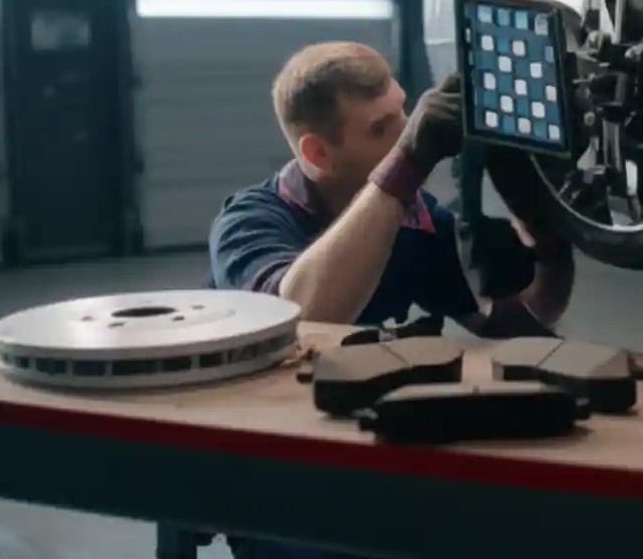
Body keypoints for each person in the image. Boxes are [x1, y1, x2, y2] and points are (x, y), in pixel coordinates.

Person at [204, 41, 575, 558]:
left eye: (405, 112)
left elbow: (515, 322)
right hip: (273, 472)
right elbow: (303, 319)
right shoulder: (250, 222)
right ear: (318, 154)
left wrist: (549, 245)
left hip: (367, 451)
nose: (408, 133)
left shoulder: (417, 220)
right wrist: (406, 165)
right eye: (382, 129)